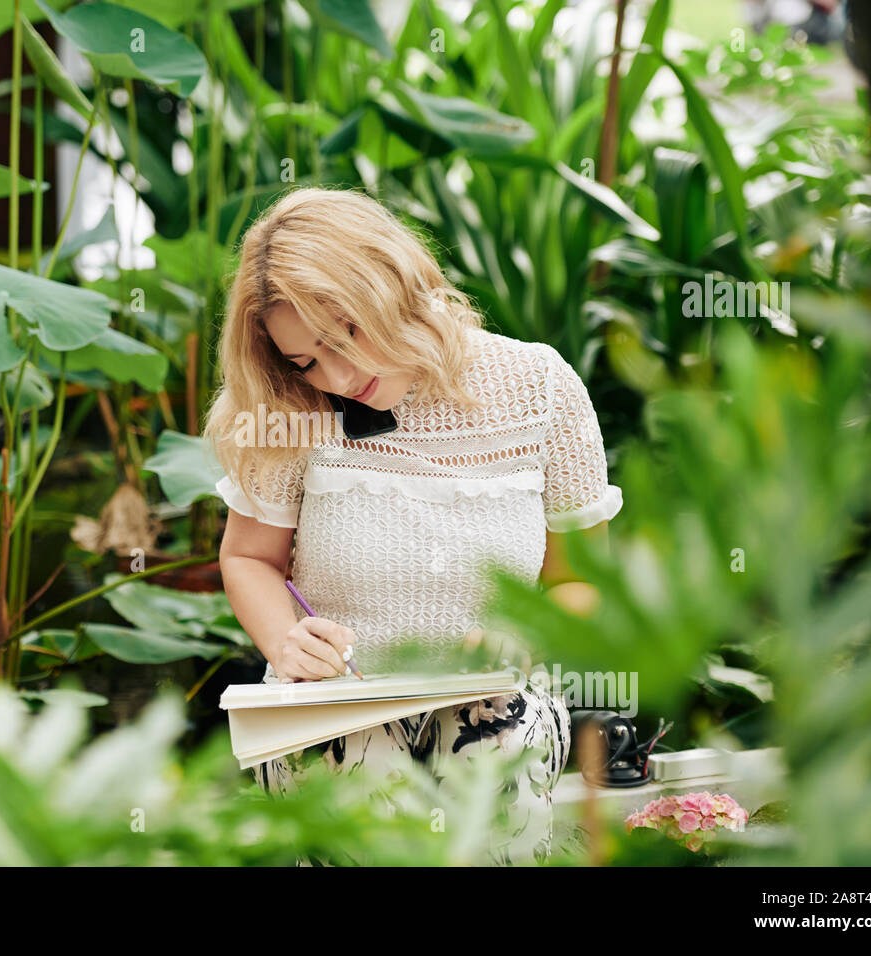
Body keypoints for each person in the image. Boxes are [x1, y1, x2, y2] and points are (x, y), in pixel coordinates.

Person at [205, 186, 623, 865]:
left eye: (347, 332)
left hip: (498, 703)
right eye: (308, 359)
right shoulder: (292, 405)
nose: (338, 376)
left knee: (498, 743)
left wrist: (523, 634)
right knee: (359, 765)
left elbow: (582, 582)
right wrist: (286, 642)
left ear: (394, 285)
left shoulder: (541, 387)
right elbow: (249, 558)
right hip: (337, 706)